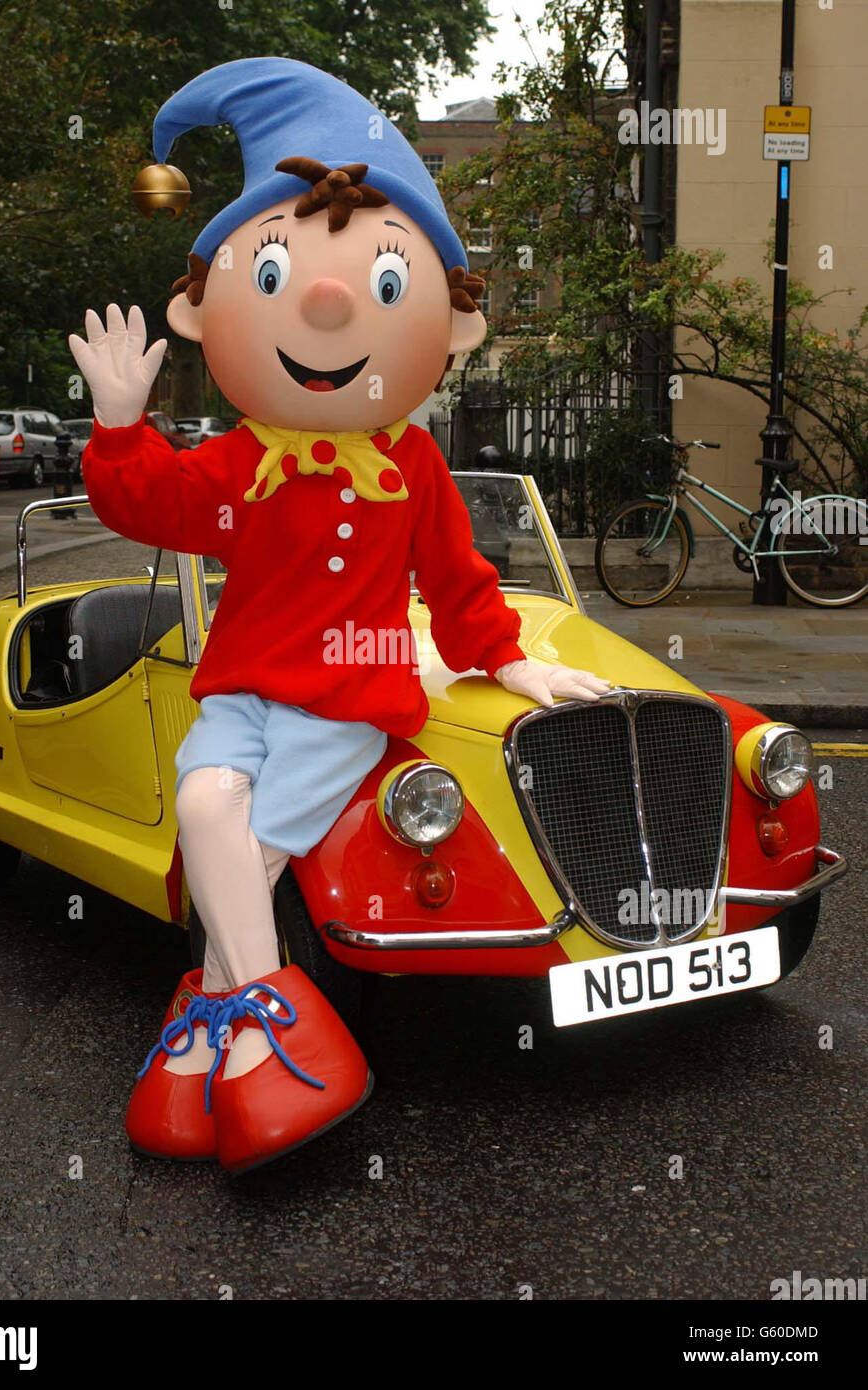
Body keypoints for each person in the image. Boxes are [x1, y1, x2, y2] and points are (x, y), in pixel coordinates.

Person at [70, 58, 609, 1172]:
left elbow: (458, 583)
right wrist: (121, 426)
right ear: (202, 305)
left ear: (446, 330)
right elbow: (152, 506)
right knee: (209, 803)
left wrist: (508, 663)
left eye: (377, 282)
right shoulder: (236, 460)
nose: (322, 303)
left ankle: (210, 1034)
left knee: (239, 857)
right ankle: (261, 1018)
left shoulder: (408, 463)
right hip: (245, 691)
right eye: (272, 273)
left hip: (344, 703)